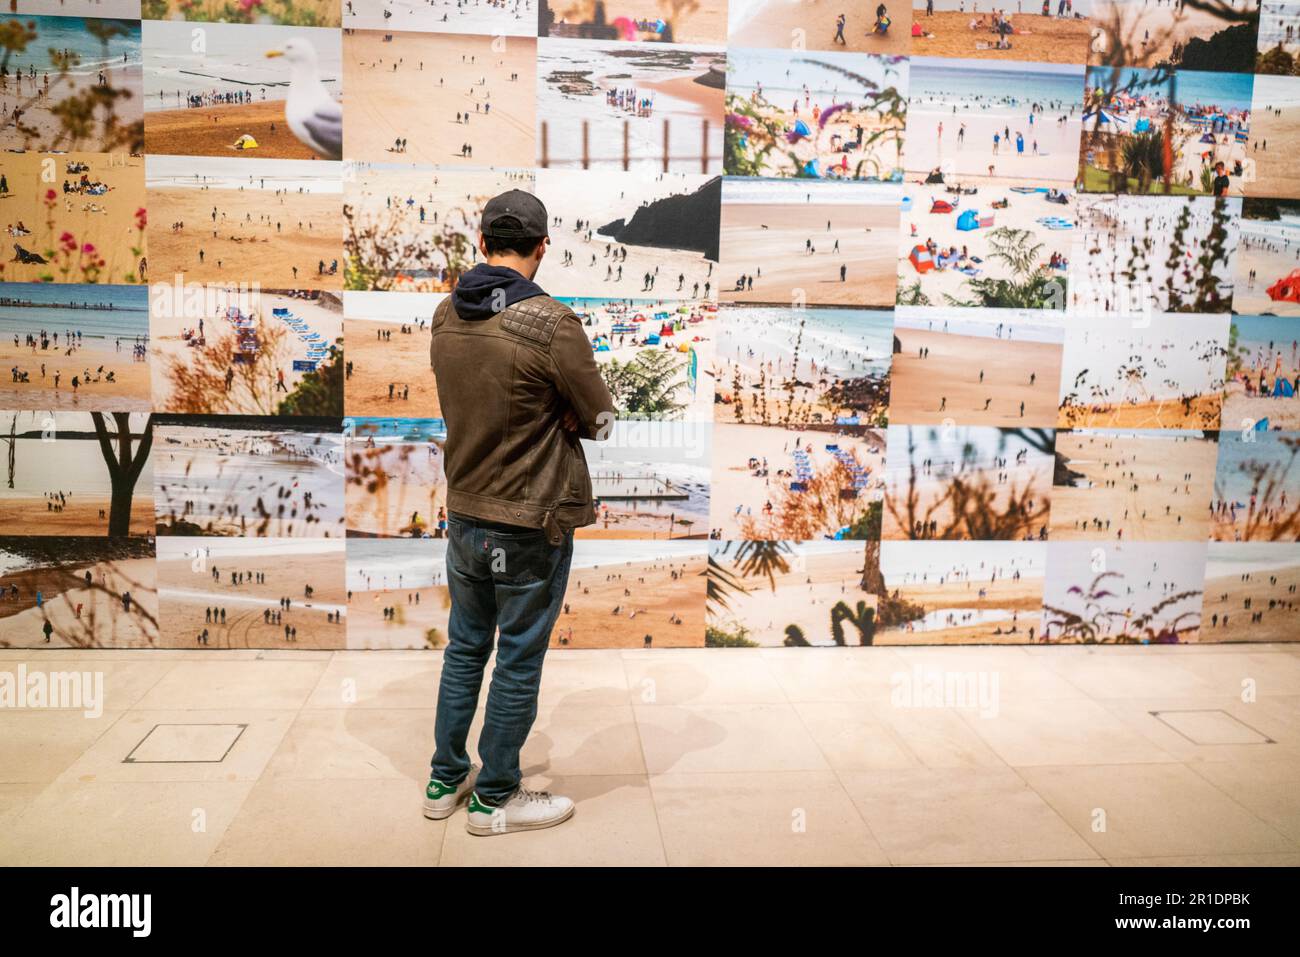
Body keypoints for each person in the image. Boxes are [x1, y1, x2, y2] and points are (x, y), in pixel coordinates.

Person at [426, 190, 616, 836]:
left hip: (465, 515)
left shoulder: (443, 316)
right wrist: (564, 410)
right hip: (530, 520)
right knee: (517, 658)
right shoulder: (554, 324)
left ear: (482, 243)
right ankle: (494, 797)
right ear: (542, 247)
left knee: (465, 647)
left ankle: (445, 777)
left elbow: (471, 403)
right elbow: (602, 417)